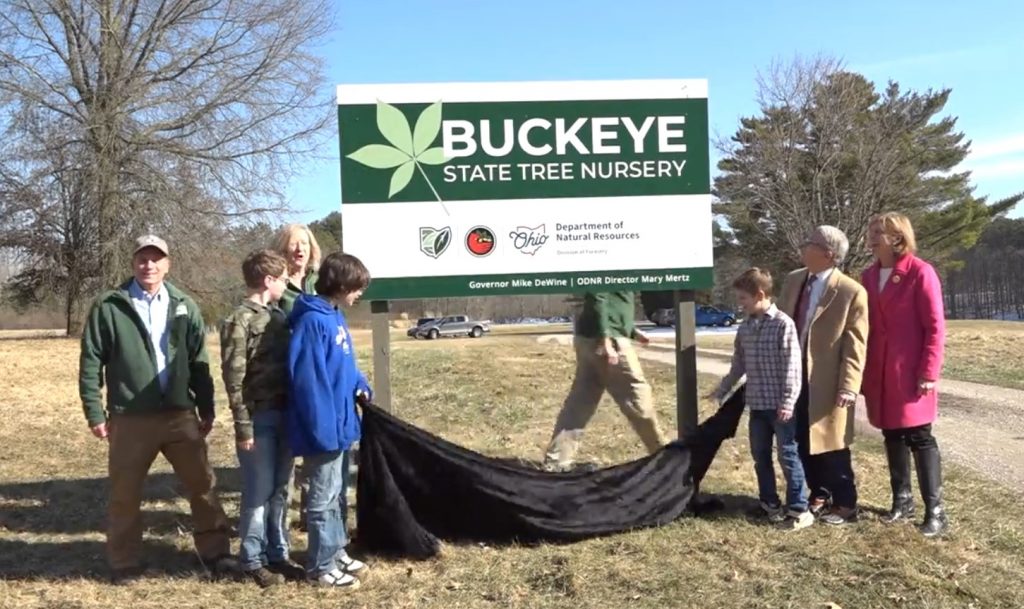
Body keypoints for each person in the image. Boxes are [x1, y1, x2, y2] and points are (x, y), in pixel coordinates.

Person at [79, 234, 234, 583]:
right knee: (125, 493)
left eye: (156, 259)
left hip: (180, 414)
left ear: (167, 264)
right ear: (133, 263)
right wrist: (94, 411)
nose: (149, 265)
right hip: (130, 418)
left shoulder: (184, 304)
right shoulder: (109, 306)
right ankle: (124, 562)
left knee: (203, 484)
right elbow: (91, 362)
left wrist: (206, 405)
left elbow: (198, 361)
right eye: (142, 259)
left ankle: (216, 553)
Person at [287, 252, 373, 588]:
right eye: (356, 287)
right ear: (339, 283)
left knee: (337, 494)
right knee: (321, 499)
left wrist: (360, 384)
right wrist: (323, 429)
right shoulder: (312, 321)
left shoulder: (335, 316)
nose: (359, 294)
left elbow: (346, 364)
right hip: (323, 430)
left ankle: (336, 551)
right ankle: (320, 567)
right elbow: (307, 381)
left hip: (341, 425)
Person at [219, 250, 304, 587]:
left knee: (282, 488)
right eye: (283, 279)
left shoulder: (280, 317)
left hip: (285, 414)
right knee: (258, 491)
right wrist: (243, 426)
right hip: (258, 418)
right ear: (268, 281)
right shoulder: (238, 320)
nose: (286, 285)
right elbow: (233, 379)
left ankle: (277, 553)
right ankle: (251, 559)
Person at [861, 212, 948, 537]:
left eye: (877, 232)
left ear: (897, 237)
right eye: (870, 231)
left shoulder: (920, 272)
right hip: (880, 373)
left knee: (920, 437)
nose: (870, 237)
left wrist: (928, 371)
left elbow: (935, 327)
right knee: (891, 434)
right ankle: (902, 501)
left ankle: (936, 511)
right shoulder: (868, 276)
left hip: (910, 372)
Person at [778, 226, 868, 526]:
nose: (804, 248)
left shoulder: (850, 292)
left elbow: (856, 346)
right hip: (792, 377)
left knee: (832, 443)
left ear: (828, 255)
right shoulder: (793, 280)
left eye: (810, 244)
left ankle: (845, 503)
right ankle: (817, 493)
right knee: (801, 438)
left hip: (827, 381)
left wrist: (849, 387)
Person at [712, 268, 810, 530]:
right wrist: (722, 390)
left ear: (760, 295)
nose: (739, 303)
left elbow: (793, 368)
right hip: (757, 406)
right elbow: (738, 365)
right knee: (760, 456)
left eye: (743, 298)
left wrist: (788, 402)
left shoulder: (783, 324)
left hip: (781, 408)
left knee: (788, 456)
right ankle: (769, 504)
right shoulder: (745, 328)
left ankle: (799, 508)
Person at [543, 291, 669, 471]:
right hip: (604, 338)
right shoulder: (613, 264)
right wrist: (606, 339)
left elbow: (612, 300)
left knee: (580, 402)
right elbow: (597, 293)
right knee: (638, 398)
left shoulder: (622, 268)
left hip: (590, 336)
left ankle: (556, 463)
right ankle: (664, 459)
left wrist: (629, 330)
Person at [274, 223, 322, 314]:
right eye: (293, 244)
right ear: (283, 249)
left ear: (311, 248)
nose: (299, 248)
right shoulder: (276, 283)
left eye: (304, 243)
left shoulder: (320, 280)